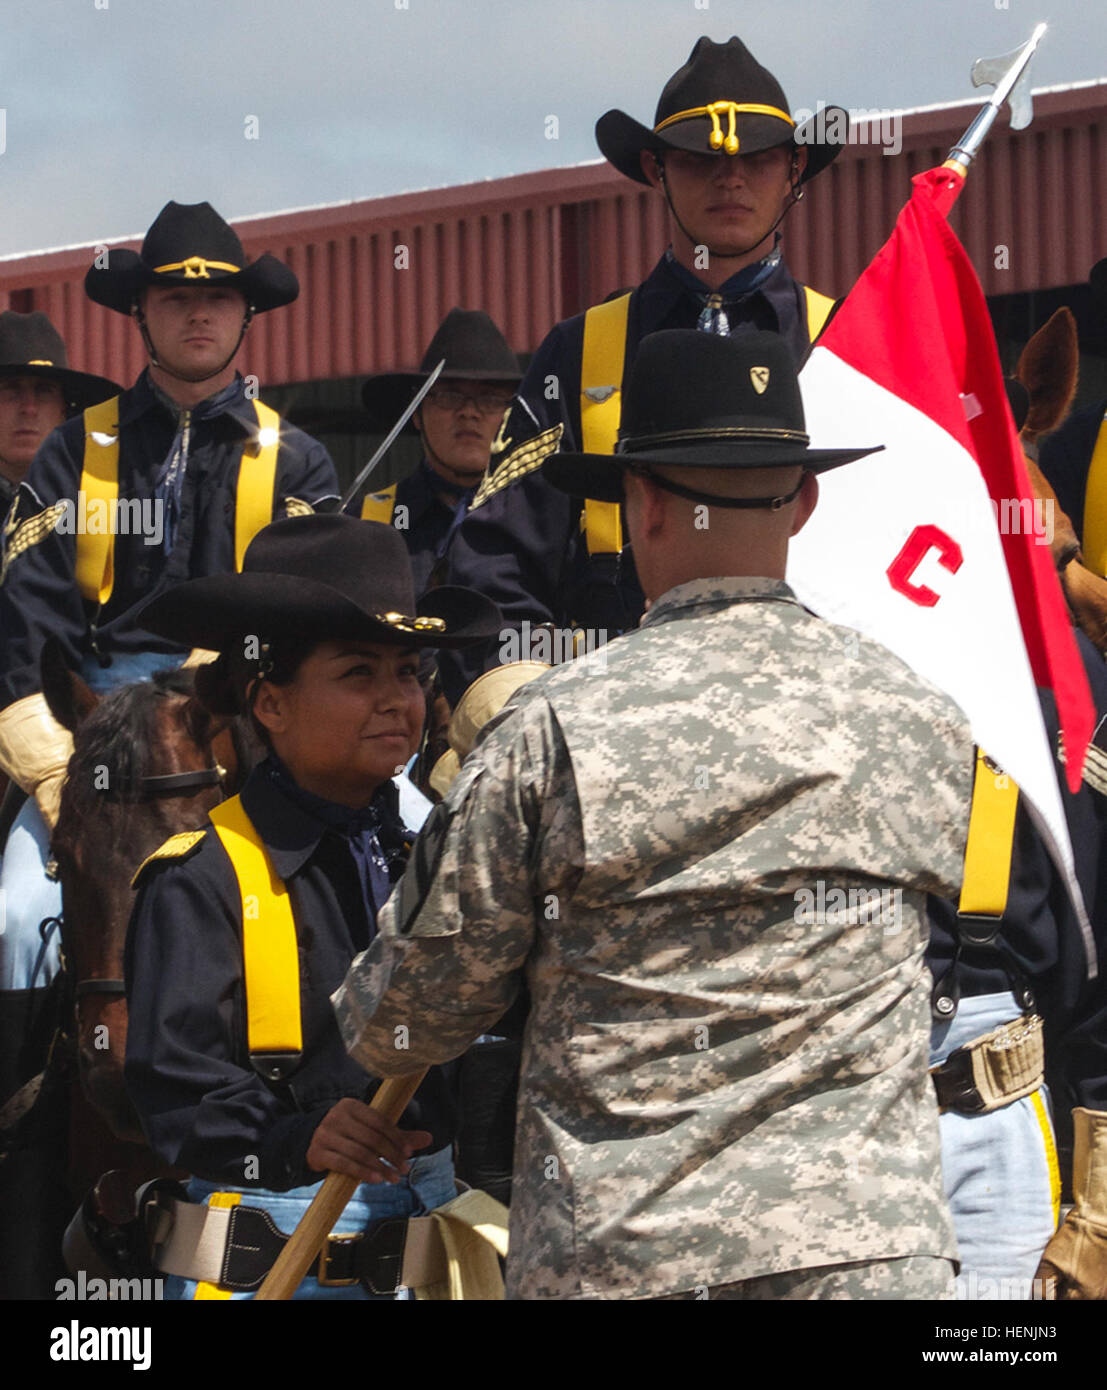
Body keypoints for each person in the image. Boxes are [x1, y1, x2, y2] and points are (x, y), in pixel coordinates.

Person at [335, 329, 976, 1301]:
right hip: (870, 1255)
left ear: (639, 504)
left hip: (629, 1254)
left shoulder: (550, 731)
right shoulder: (923, 714)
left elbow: (402, 1022)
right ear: (804, 501)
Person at [123, 513, 501, 1299]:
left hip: (436, 1245)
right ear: (270, 703)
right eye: (359, 674)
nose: (397, 699)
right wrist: (295, 1136)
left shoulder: (439, 861)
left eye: (408, 672)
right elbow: (171, 1089)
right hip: (272, 1253)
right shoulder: (198, 876)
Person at [0, 201, 340, 1015]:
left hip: (252, 720)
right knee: (17, 919)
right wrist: (58, 771)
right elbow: (28, 618)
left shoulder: (299, 459)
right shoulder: (71, 449)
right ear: (140, 314)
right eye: (176, 299)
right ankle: (30, 1139)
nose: (198, 313)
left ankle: (422, 1140)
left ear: (245, 314)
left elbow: (318, 617)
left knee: (408, 856)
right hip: (94, 733)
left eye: (218, 299)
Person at [439, 35, 847, 703]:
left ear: (794, 169)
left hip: (816, 714)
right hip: (610, 726)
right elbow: (494, 564)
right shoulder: (574, 352)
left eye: (759, 157)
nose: (731, 178)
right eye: (698, 160)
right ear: (656, 168)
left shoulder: (850, 343)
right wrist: (514, 696)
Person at [356, 308, 522, 596]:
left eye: (491, 398)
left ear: (515, 417)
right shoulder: (364, 524)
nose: (469, 412)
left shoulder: (541, 528)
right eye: (449, 396)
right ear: (416, 413)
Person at [0, 311, 118, 519]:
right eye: (12, 390)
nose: (29, 408)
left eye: (44, 390)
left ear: (65, 410)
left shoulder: (105, 509)